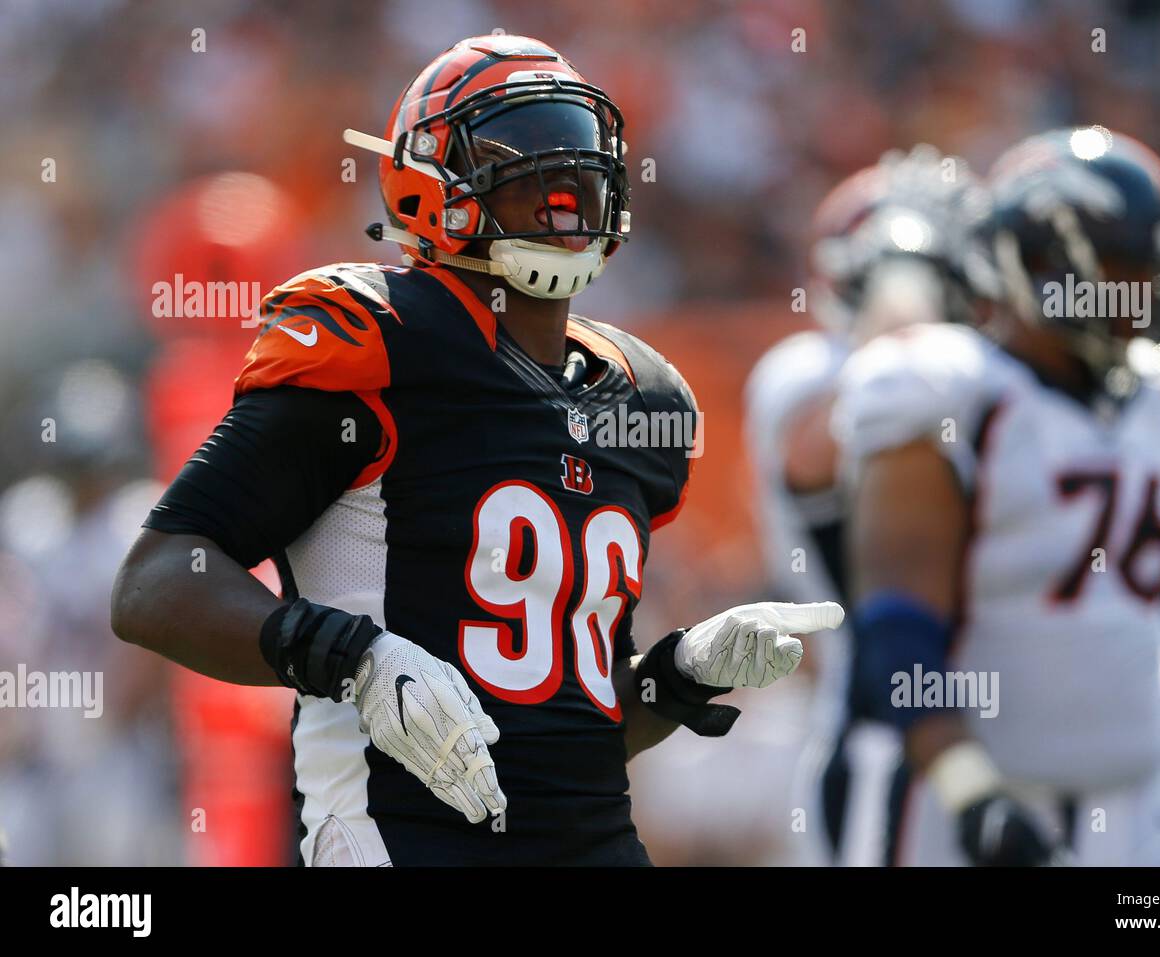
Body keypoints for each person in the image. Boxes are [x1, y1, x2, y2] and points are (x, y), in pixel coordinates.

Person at [111, 34, 841, 866]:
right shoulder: (378, 343)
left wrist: (678, 673)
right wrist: (350, 657)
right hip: (397, 841)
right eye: (526, 161)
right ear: (432, 183)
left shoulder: (643, 395)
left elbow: (567, 730)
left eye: (577, 159)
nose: (563, 189)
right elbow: (155, 581)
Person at [834, 126, 1160, 866]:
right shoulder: (948, 392)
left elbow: (1153, 630)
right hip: (975, 803)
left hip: (1139, 801)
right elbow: (896, 626)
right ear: (1035, 265)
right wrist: (974, 794)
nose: (1144, 295)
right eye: (1122, 266)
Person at [744, 145, 993, 864]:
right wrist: (907, 272)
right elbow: (815, 452)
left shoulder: (984, 379)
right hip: (882, 727)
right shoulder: (806, 373)